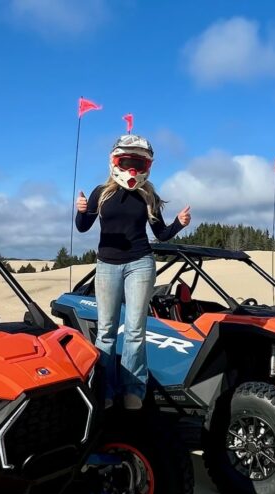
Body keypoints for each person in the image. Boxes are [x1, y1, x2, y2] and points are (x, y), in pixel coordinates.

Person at [76, 134, 191, 409]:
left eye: (138, 164)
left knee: (135, 330)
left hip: (141, 263)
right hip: (107, 265)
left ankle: (133, 390)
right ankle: (104, 390)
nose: (131, 169)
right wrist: (81, 211)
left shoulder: (149, 195)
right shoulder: (101, 193)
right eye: (126, 162)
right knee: (106, 331)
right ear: (114, 161)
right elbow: (82, 227)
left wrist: (179, 223)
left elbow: (161, 234)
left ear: (147, 166)